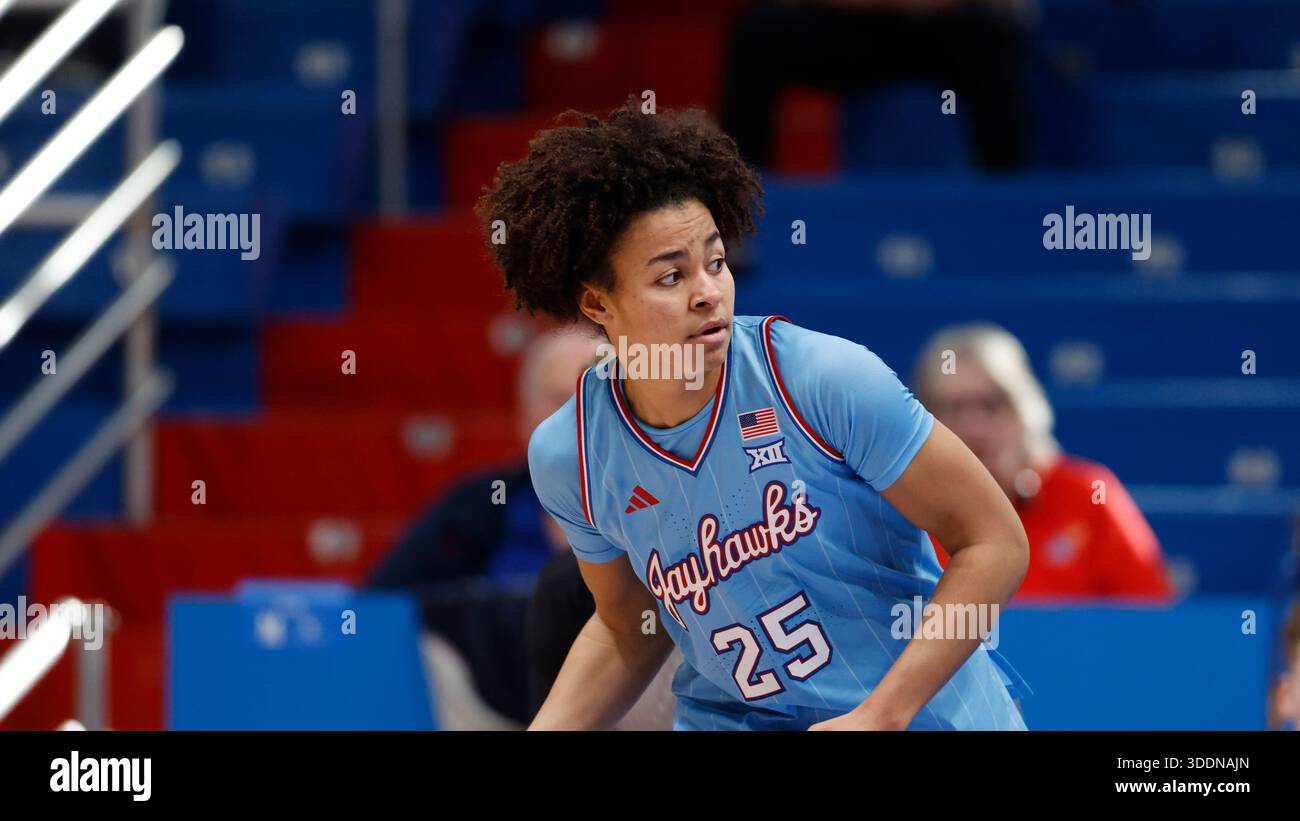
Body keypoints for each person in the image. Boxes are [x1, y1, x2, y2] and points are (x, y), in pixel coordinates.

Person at [475, 97, 1030, 730]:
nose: (708, 291)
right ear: (597, 302)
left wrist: (881, 715)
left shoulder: (821, 378)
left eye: (715, 262)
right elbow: (629, 624)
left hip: (912, 713)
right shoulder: (567, 454)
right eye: (670, 277)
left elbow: (993, 542)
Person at [365, 327, 601, 723]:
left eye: (592, 398)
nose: (575, 416)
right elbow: (382, 602)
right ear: (523, 415)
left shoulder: (662, 508)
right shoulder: (477, 506)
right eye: (559, 400)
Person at [911, 323, 1174, 602]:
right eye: (953, 409)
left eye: (992, 404)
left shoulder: (1088, 495)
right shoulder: (904, 508)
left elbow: (1154, 618)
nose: (974, 426)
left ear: (1026, 410)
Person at [720, 0, 1030, 171]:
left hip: (932, 26)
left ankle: (1006, 204)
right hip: (845, 28)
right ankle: (739, 209)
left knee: (993, 38)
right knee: (757, 34)